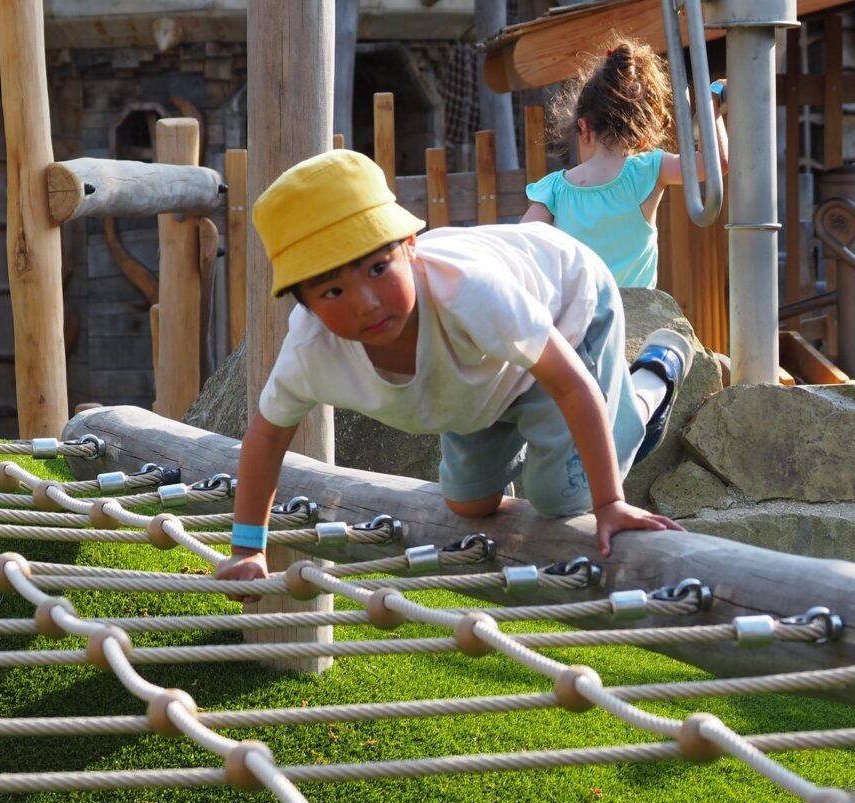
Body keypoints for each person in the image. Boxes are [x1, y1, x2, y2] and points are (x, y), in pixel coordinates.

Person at [215, 150, 691, 601]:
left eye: (379, 268)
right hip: (485, 382)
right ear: (305, 305)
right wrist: (247, 548)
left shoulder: (469, 294)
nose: (367, 301)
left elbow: (570, 383)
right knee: (468, 506)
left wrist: (609, 504)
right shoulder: (309, 351)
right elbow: (267, 436)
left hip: (566, 310)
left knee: (560, 500)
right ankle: (564, 432)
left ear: (410, 247)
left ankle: (650, 384)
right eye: (334, 291)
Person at [520, 41, 728, 289]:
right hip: (637, 318)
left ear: (583, 127)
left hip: (582, 318)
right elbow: (714, 164)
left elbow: (520, 244)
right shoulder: (648, 169)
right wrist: (710, 103)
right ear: (640, 134)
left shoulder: (553, 189)